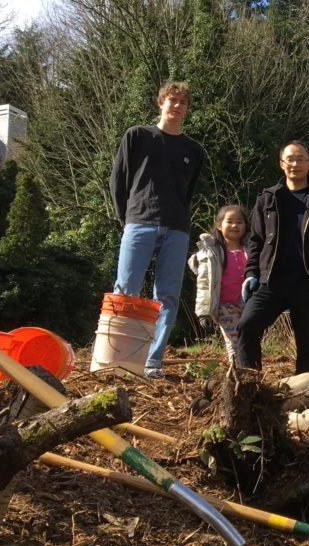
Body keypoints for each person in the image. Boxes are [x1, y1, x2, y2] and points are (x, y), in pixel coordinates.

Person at [109, 81, 204, 378]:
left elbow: (187, 191)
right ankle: (115, 358)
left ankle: (152, 362)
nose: (176, 106)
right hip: (139, 222)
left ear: (187, 108)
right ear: (160, 102)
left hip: (177, 228)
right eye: (172, 100)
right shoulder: (137, 136)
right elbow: (118, 180)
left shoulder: (194, 150)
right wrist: (128, 219)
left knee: (168, 296)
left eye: (182, 102)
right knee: (125, 291)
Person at [236, 141, 309, 374]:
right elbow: (255, 240)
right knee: (247, 326)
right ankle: (250, 388)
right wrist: (251, 273)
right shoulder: (268, 198)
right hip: (272, 280)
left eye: (301, 159)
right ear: (282, 164)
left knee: (307, 347)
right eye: (290, 159)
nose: (295, 164)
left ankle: (303, 399)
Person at [188, 204, 247, 365]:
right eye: (230, 221)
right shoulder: (212, 252)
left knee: (248, 339)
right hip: (225, 306)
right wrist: (203, 312)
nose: (235, 225)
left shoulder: (250, 250)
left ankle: (248, 371)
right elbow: (205, 282)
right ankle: (237, 373)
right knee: (234, 341)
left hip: (247, 304)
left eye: (240, 221)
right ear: (220, 225)